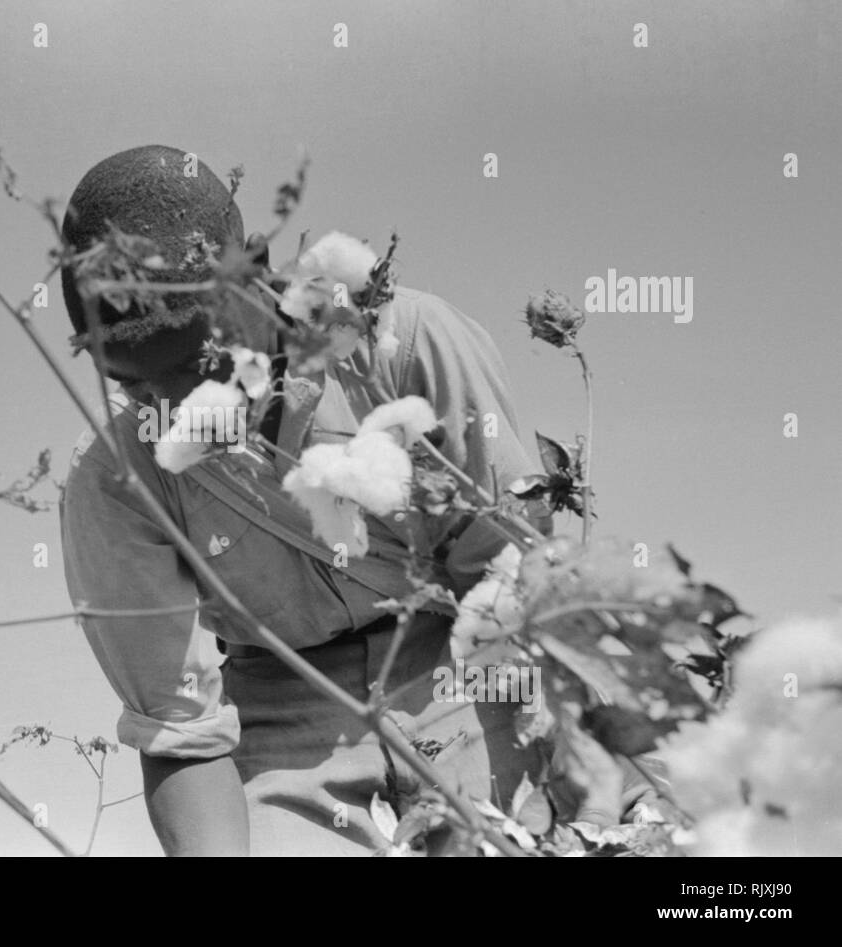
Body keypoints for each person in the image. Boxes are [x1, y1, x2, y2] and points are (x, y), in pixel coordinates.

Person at [58, 145, 584, 856]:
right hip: (276, 714)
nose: (173, 407)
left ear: (255, 272)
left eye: (192, 365)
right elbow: (183, 732)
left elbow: (512, 582)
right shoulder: (114, 483)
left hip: (458, 664)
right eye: (133, 383)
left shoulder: (405, 347)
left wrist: (543, 788)